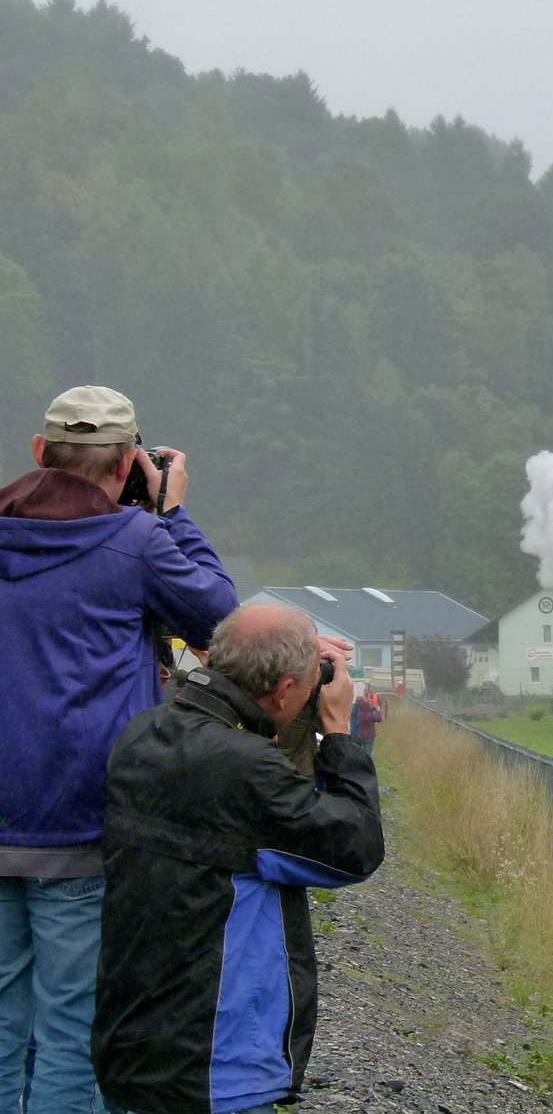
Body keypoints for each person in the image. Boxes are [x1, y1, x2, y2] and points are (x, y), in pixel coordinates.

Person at [0, 384, 238, 1113]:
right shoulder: (137, 544)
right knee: (74, 1027)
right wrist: (172, 514)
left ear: (40, 454)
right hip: (85, 819)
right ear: (134, 461)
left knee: (5, 1026)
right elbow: (223, 625)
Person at [92, 605, 385, 1114]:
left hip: (129, 1048)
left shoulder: (141, 736)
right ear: (283, 692)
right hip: (214, 1069)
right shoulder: (247, 772)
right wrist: (338, 731)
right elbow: (353, 848)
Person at [355, 690, 384, 756]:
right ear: (369, 707)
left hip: (361, 735)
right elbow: (379, 719)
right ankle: (367, 763)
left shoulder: (360, 714)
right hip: (369, 736)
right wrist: (377, 711)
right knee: (368, 752)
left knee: (362, 751)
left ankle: (362, 762)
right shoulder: (370, 715)